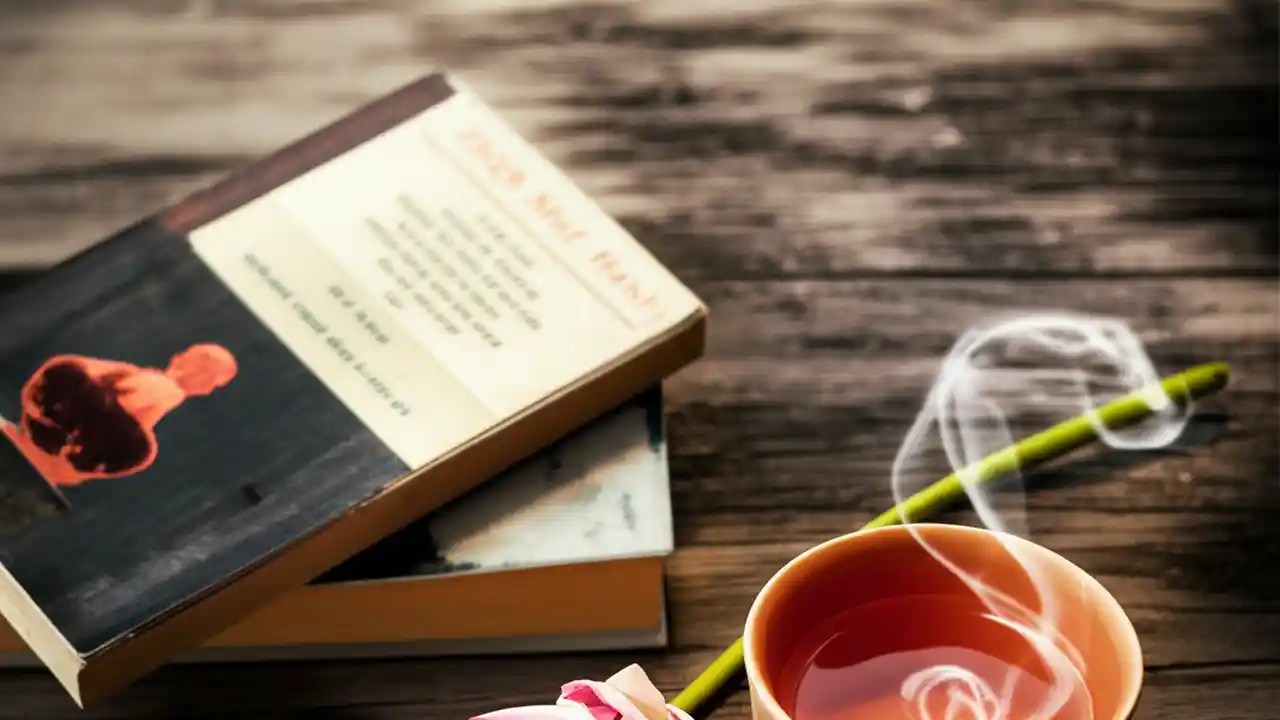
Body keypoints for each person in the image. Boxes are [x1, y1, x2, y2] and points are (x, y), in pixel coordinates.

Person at [1, 344, 237, 487]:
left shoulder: (147, 386)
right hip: (47, 442)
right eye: (209, 377)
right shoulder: (163, 389)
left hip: (47, 444)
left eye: (212, 383)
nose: (206, 387)